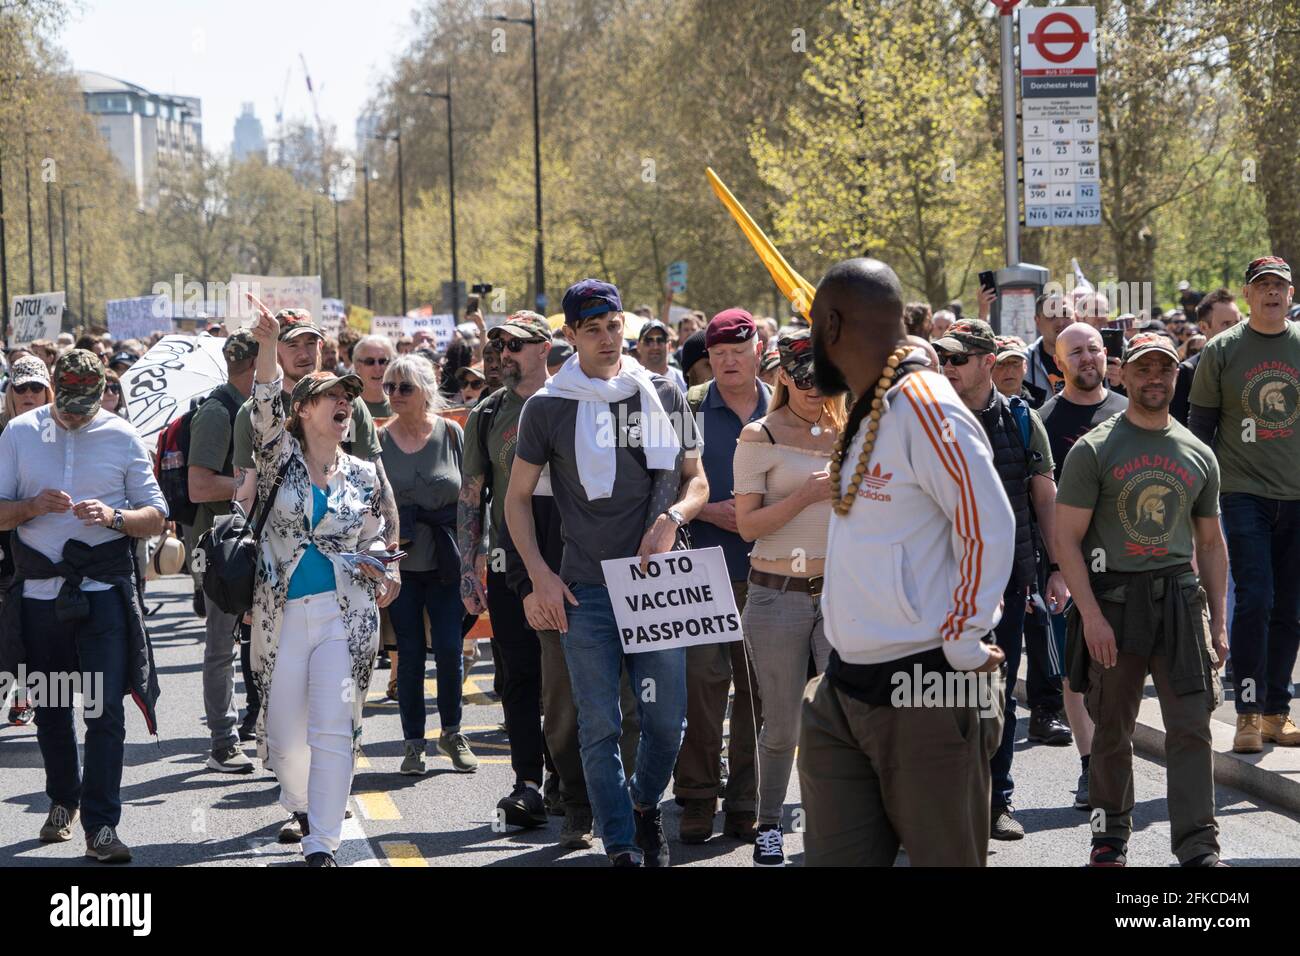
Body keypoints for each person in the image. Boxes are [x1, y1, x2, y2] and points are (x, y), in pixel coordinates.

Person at [797, 259, 1012, 866]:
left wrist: (967, 636)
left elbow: (987, 519)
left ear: (833, 323)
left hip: (925, 690)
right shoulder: (872, 404)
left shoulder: (923, 403)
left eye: (813, 327)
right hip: (844, 686)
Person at [505, 279, 708, 867]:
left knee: (667, 721)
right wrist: (540, 575)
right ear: (569, 336)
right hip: (584, 587)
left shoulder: (666, 393)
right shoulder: (548, 405)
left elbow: (698, 481)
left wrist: (673, 516)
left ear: (625, 324)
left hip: (657, 583)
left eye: (612, 325)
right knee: (599, 724)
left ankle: (644, 806)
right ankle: (620, 839)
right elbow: (517, 499)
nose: (605, 338)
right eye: (590, 329)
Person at [1055, 331, 1227, 867]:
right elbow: (1065, 539)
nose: (1156, 379)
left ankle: (1198, 846)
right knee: (1111, 728)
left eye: (1166, 370)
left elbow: (1211, 543)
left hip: (1179, 600)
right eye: (1144, 369)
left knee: (1192, 727)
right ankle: (1108, 838)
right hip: (1115, 602)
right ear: (1123, 375)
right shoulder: (1095, 448)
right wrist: (1090, 617)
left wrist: (1219, 623)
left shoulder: (1198, 452)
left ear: (1177, 377)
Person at [246, 306, 400, 868]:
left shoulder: (362, 472)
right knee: (286, 739)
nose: (344, 403)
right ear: (304, 408)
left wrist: (386, 566)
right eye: (331, 395)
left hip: (346, 616)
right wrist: (268, 345)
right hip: (283, 616)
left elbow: (376, 534)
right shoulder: (276, 460)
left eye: (348, 397)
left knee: (335, 727)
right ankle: (299, 800)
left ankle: (323, 844)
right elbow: (264, 401)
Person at [0, 350, 167, 863]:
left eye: (83, 406)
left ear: (100, 394)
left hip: (102, 594)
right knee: (51, 707)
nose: (72, 415)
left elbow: (157, 515)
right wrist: (29, 507)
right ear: (51, 388)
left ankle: (101, 825)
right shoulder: (19, 433)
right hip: (39, 594)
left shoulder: (121, 434)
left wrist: (115, 517)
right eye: (65, 404)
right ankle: (61, 800)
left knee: (103, 710)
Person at [934, 318, 1067, 841]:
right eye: (943, 358)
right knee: (930, 694)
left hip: (1005, 582)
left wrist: (1056, 568)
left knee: (997, 692)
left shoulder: (1020, 418)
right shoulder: (921, 419)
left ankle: (996, 799)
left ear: (989, 363)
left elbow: (1043, 496)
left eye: (959, 359)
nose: (948, 368)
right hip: (934, 582)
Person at [733, 329, 842, 866]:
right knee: (781, 726)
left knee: (844, 718)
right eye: (804, 383)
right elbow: (748, 527)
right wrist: (806, 494)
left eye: (824, 383)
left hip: (839, 596)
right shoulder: (760, 436)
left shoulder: (847, 430)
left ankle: (842, 823)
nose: (815, 393)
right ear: (782, 377)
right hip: (776, 596)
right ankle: (769, 824)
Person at [1189, 256, 1300, 753]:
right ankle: (1248, 713)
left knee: (1291, 607)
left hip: (1297, 497)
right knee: (1256, 597)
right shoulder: (1222, 351)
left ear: (1291, 295)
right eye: (1263, 286)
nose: (1272, 293)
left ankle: (1278, 710)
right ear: (1248, 295)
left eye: (1279, 285)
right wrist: (1200, 497)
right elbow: (1201, 431)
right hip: (1241, 492)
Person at [675, 308, 768, 844]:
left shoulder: (786, 404)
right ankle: (696, 798)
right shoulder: (687, 407)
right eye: (718, 354)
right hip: (702, 570)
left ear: (757, 349)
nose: (728, 362)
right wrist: (711, 510)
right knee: (701, 691)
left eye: (738, 350)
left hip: (770, 572)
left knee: (759, 692)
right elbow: (662, 484)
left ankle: (745, 801)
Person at [1033, 323, 1127, 808]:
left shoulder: (1131, 413)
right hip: (1072, 567)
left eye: (1094, 348)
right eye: (1077, 352)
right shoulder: (1045, 420)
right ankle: (1091, 768)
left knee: (1126, 671)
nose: (1088, 358)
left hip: (1131, 564)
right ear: (1059, 362)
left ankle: (1117, 765)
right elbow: (1038, 501)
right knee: (1077, 674)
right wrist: (1052, 567)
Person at [379, 354, 478, 776]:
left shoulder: (453, 433)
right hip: (401, 563)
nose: (395, 395)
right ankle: (413, 744)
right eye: (389, 388)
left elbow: (473, 500)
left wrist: (476, 556)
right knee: (411, 652)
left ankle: (453, 733)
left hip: (447, 559)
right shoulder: (379, 440)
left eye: (405, 387)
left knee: (452, 650)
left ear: (426, 391)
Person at [188, 332, 262, 769]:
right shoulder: (218, 412)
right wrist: (248, 485)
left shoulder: (268, 406)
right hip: (224, 545)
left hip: (261, 537)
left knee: (271, 641)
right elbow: (199, 486)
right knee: (222, 645)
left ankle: (272, 730)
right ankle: (223, 740)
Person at [1171, 289, 1240, 426]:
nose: (1236, 330)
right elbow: (1179, 426)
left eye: (1237, 322)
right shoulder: (1188, 371)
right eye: (1226, 324)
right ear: (1203, 326)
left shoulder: (1250, 363)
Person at [1023, 291, 1076, 407]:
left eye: (1065, 313)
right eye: (1051, 316)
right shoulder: (1023, 362)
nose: (1060, 322)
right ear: (1037, 321)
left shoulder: (1094, 357)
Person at [352, 334, 396, 423]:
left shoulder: (402, 404)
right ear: (357, 366)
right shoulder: (346, 406)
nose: (377, 368)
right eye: (370, 362)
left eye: (383, 361)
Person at [636, 319, 687, 393]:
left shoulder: (683, 381)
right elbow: (622, 405)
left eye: (660, 340)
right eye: (648, 340)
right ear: (638, 346)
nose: (655, 347)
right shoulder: (629, 382)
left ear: (669, 346)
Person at [992, 336, 1031, 400]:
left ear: (1025, 366)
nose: (1009, 370)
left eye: (1015, 362)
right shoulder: (977, 406)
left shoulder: (1042, 406)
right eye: (1000, 364)